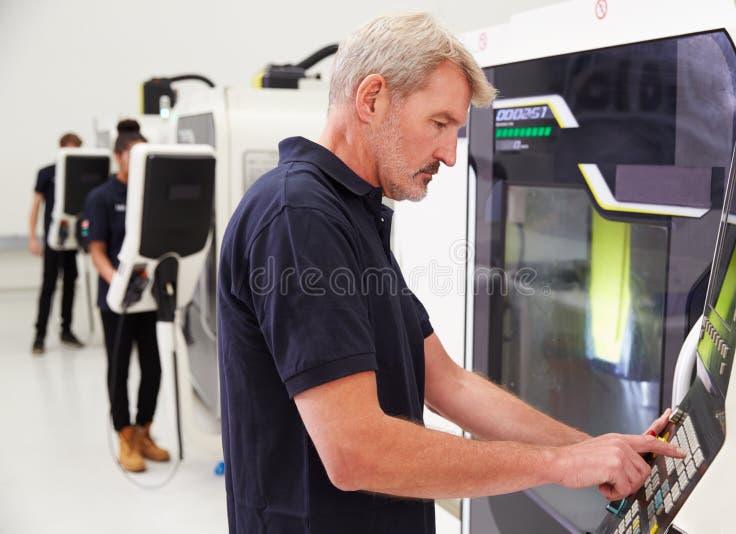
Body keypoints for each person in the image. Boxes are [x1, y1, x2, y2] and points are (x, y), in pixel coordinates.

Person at [217, 13, 683, 533]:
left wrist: (592, 449)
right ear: (372, 99)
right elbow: (355, 451)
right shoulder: (299, 218)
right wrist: (560, 466)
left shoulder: (350, 214)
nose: (448, 153)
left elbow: (450, 384)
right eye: (439, 124)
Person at [84, 120, 170, 473]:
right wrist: (118, 285)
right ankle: (124, 435)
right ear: (118, 157)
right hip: (116, 302)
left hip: (148, 299)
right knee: (118, 370)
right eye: (132, 157)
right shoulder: (101, 198)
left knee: (153, 368)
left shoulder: (150, 195)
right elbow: (97, 251)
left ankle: (144, 429)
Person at [29, 132, 85, 354]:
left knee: (70, 284)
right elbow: (36, 206)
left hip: (72, 240)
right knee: (48, 286)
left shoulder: (81, 175)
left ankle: (66, 329)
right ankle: (39, 334)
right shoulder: (47, 173)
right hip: (53, 239)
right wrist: (33, 237)